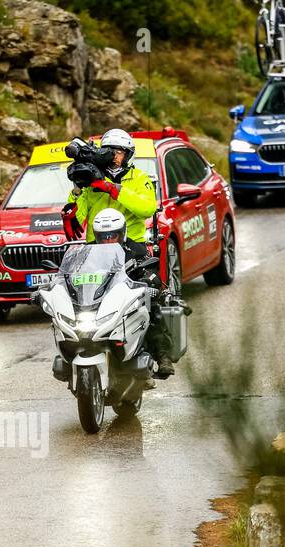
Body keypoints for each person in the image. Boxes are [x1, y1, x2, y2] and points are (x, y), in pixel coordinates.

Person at [60, 129, 176, 378]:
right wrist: (77, 193)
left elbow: (146, 208)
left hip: (131, 248)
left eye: (119, 151)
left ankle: (162, 353)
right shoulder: (91, 184)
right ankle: (71, 350)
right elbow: (77, 222)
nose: (113, 156)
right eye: (109, 150)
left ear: (128, 155)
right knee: (78, 297)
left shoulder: (139, 178)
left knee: (149, 292)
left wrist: (111, 188)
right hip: (95, 252)